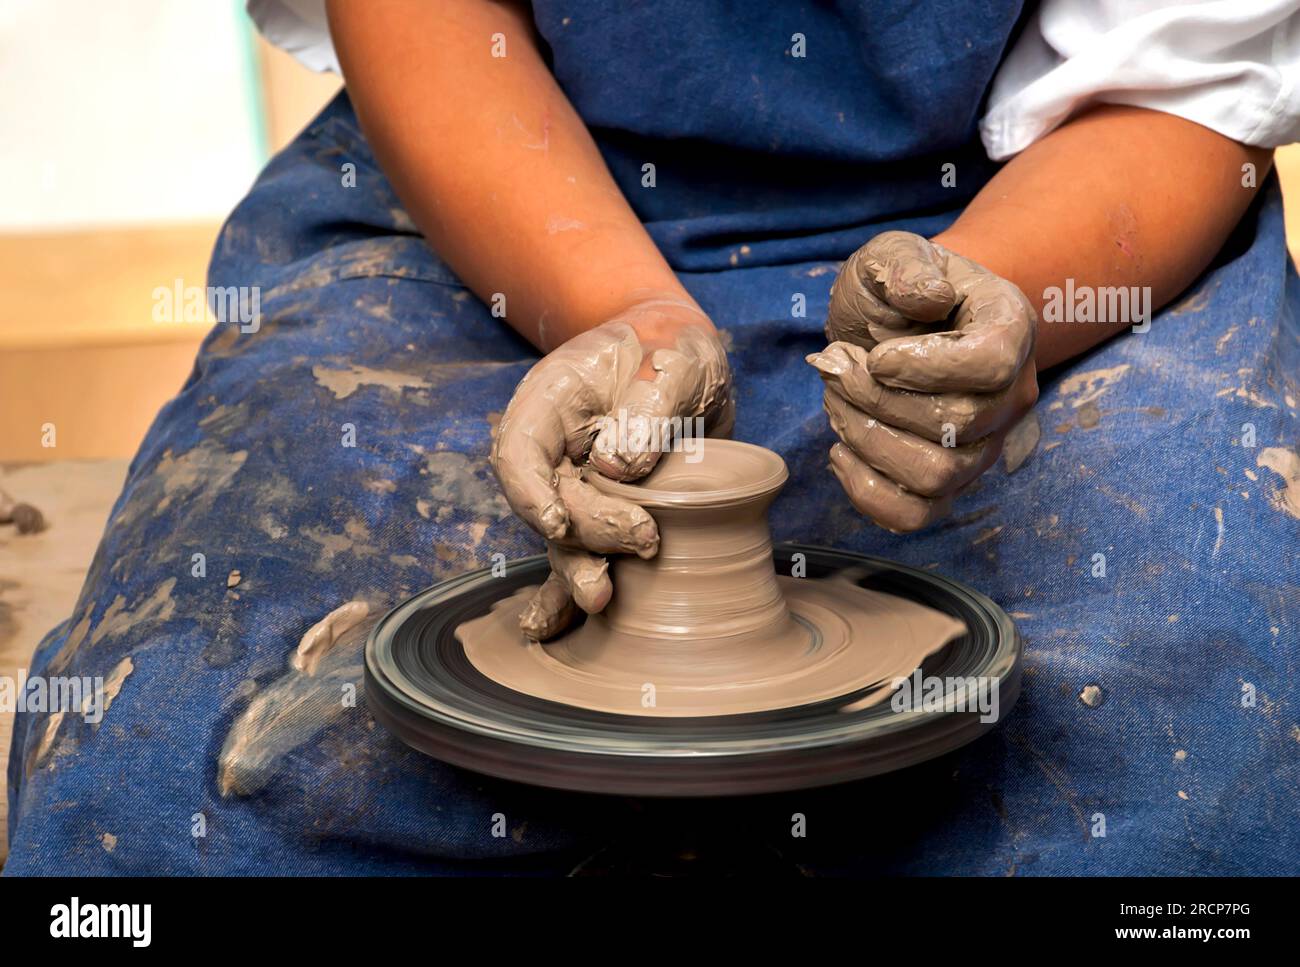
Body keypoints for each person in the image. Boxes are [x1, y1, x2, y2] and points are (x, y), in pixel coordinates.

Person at [7, 0, 1297, 875]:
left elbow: (1182, 83)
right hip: (503, 186)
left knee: (1203, 763)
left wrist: (967, 317)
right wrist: (623, 313)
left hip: (1041, 208)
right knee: (167, 768)